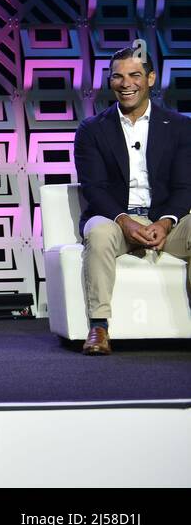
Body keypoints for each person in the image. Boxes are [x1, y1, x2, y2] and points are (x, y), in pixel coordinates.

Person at [74, 47, 191, 355]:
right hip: (115, 218)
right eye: (118, 76)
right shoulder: (92, 129)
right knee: (98, 234)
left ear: (150, 79)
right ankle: (99, 327)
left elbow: (184, 187)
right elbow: (94, 188)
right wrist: (123, 220)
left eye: (135, 75)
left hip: (165, 220)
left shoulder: (180, 126)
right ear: (110, 81)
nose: (126, 83)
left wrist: (166, 222)